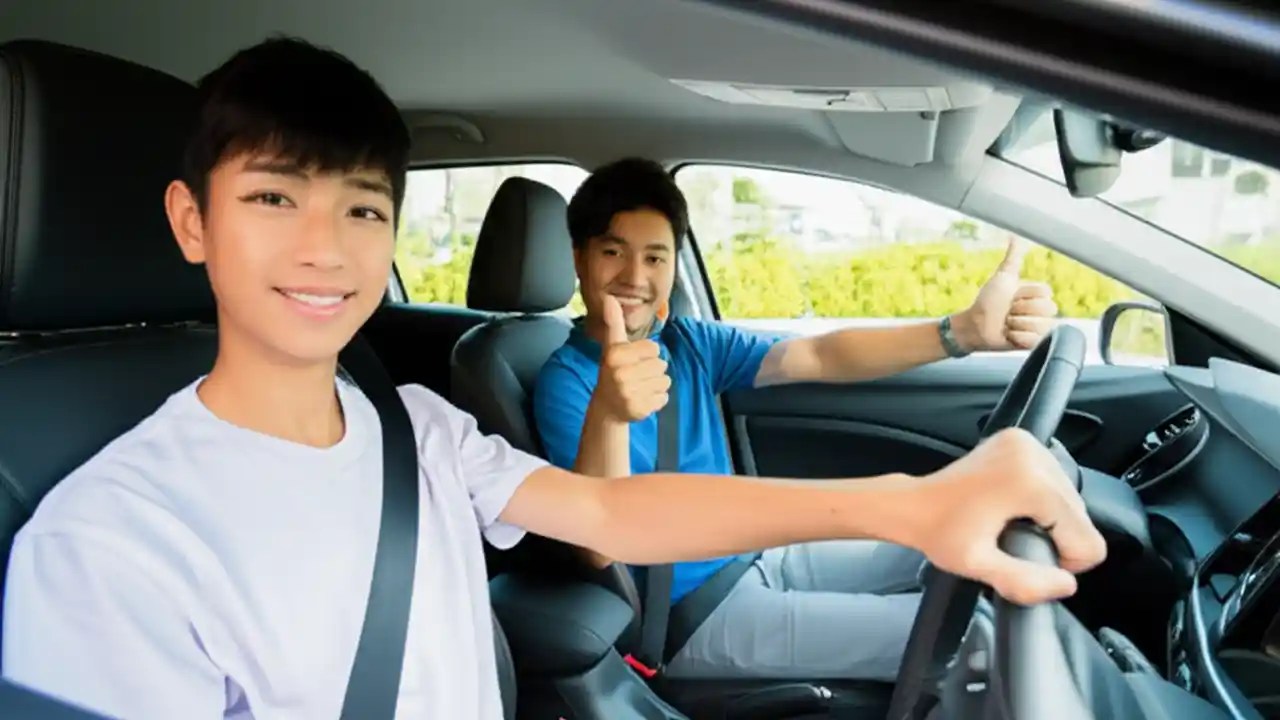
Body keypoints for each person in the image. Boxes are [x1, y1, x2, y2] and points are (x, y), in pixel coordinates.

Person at [0, 38, 1102, 720]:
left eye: (363, 209)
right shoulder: (103, 544)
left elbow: (605, 508)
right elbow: (599, 536)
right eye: (274, 199)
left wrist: (916, 499)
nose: (324, 251)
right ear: (191, 223)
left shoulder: (416, 427)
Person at [532, 157, 1063, 681]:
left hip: (755, 553)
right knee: (972, 638)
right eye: (612, 252)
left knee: (955, 544)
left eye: (655, 258)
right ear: (579, 259)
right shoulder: (565, 379)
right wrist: (610, 412)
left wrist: (962, 333)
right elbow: (598, 545)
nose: (634, 277)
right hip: (690, 611)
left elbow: (819, 356)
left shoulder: (688, 343)